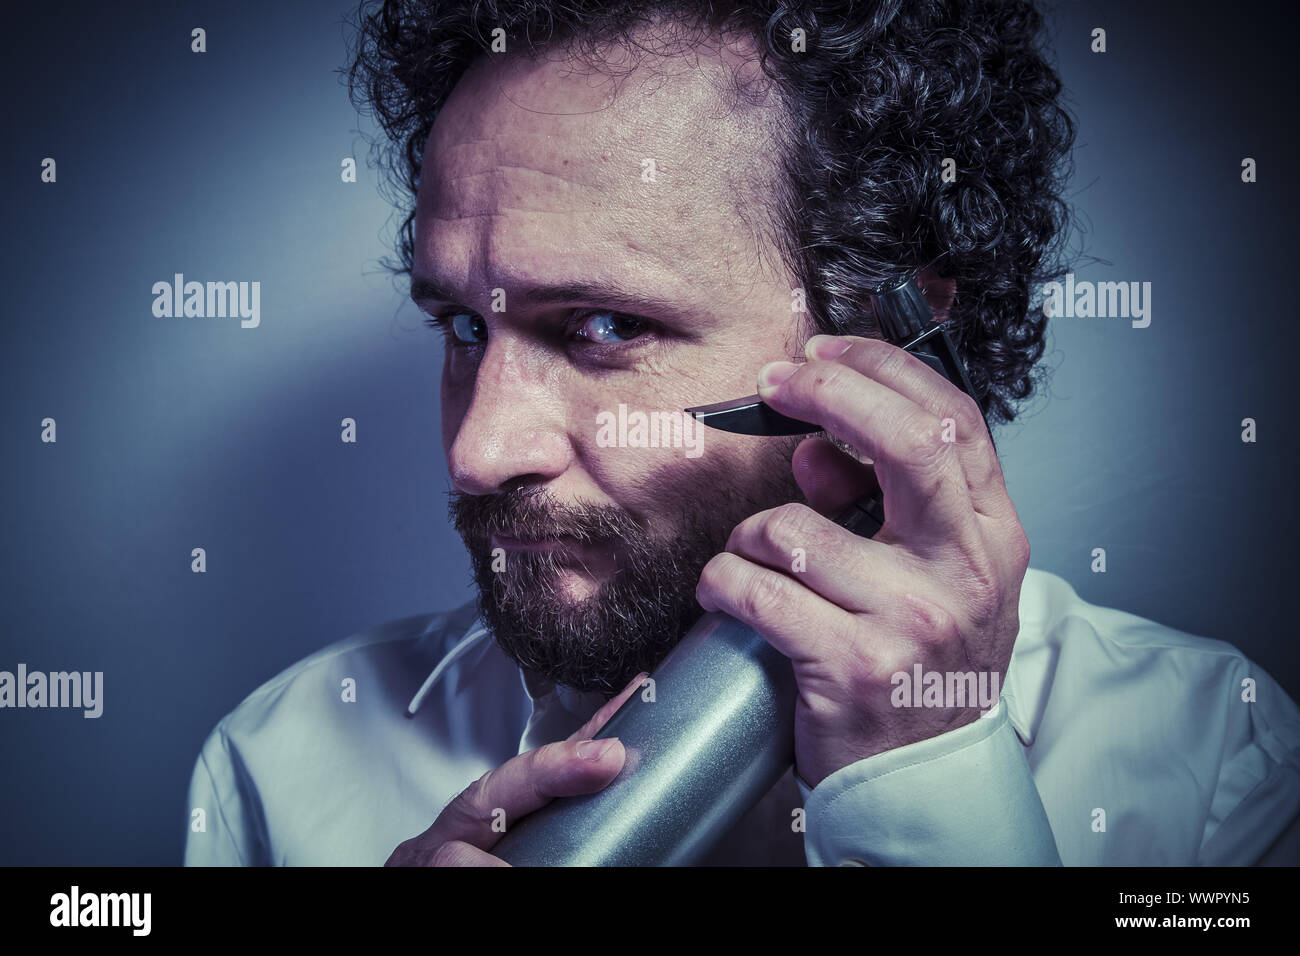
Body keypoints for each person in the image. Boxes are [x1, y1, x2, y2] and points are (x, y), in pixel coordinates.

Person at [184, 0, 1300, 866]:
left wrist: (938, 796)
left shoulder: (1205, 760)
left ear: (890, 347)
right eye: (464, 324)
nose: (478, 450)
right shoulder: (284, 769)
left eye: (604, 326)